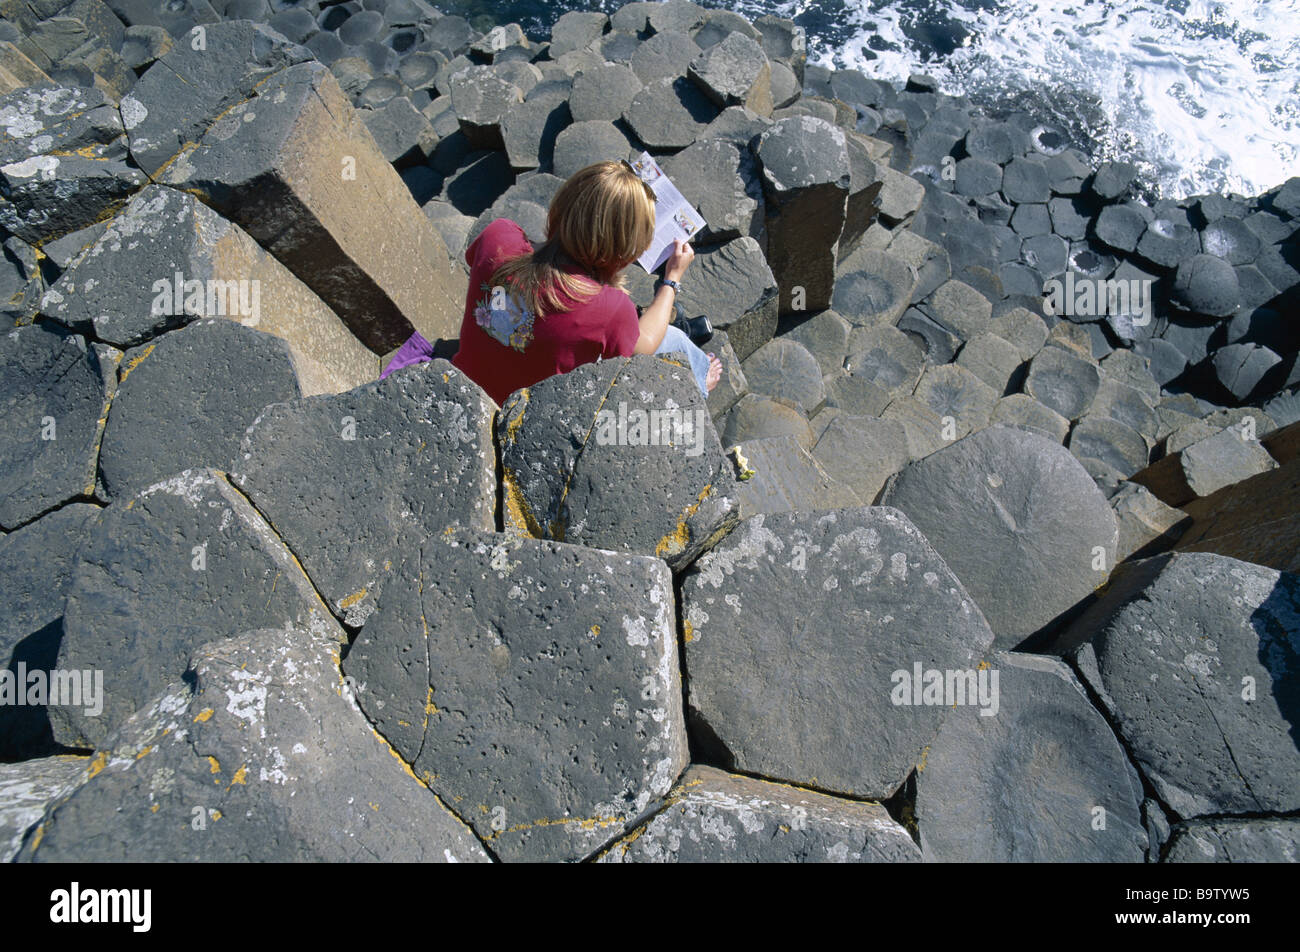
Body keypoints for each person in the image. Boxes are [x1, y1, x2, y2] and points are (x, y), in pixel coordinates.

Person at [380, 160, 722, 406]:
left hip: (468, 381)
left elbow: (504, 270)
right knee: (670, 340)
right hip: (518, 410)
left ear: (561, 207)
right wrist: (671, 280)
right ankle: (699, 381)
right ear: (624, 250)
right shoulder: (609, 309)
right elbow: (643, 344)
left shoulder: (498, 236)